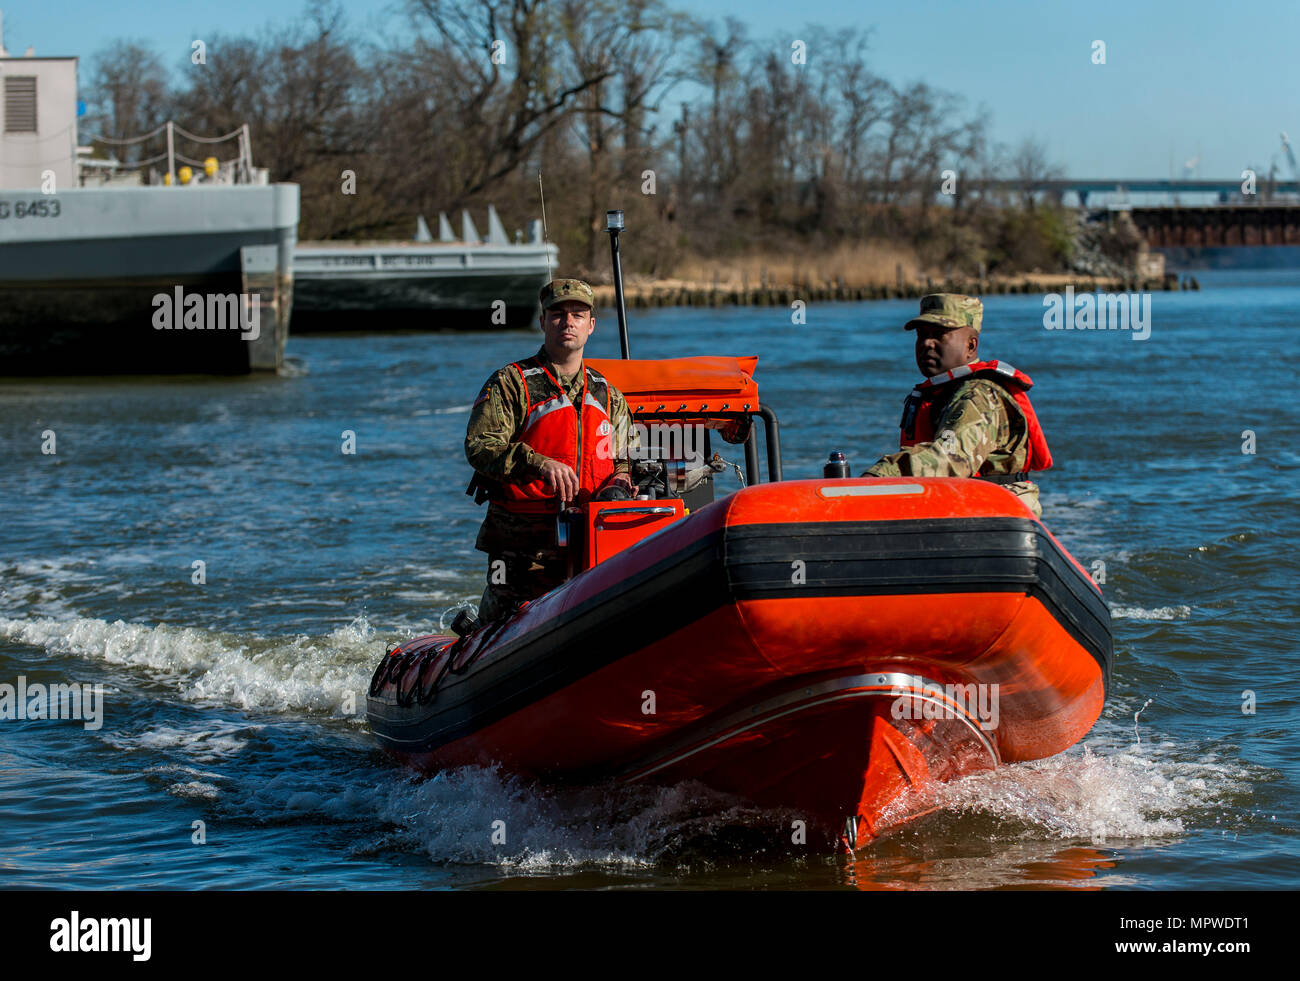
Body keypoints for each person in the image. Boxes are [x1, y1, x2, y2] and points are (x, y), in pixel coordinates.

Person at [465, 278, 636, 621]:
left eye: (577, 314)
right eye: (557, 314)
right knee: (502, 635)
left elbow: (624, 460)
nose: (567, 322)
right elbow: (480, 447)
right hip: (521, 550)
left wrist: (619, 485)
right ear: (542, 322)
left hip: (589, 544)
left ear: (591, 325)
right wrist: (538, 463)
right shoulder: (512, 382)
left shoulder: (608, 394)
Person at [863, 293, 1052, 517]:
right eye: (921, 335)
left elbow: (950, 460)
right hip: (968, 513)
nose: (926, 344)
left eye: (939, 335)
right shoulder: (945, 391)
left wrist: (879, 476)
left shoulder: (978, 396)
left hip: (996, 516)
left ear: (971, 346)